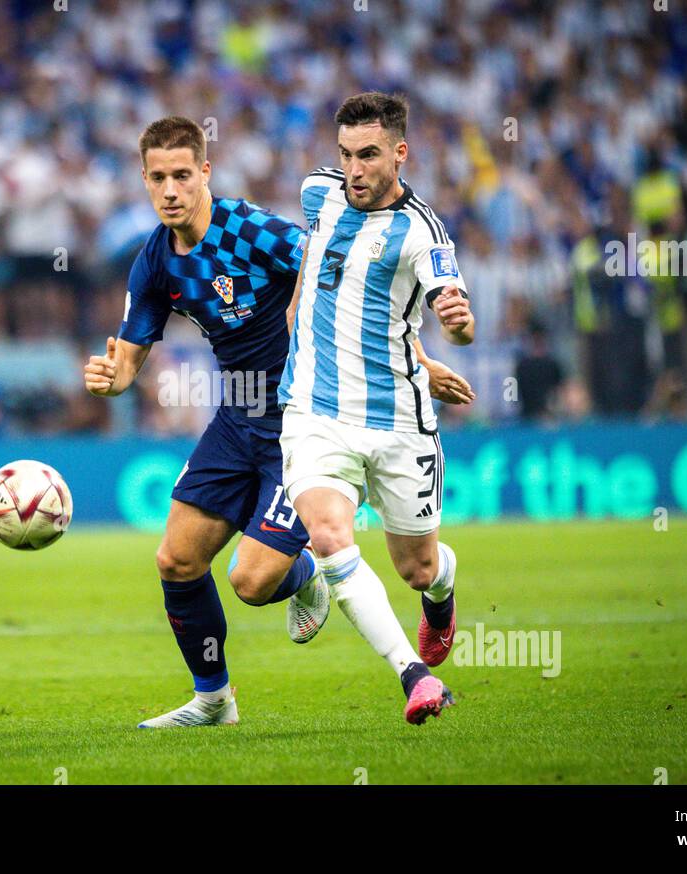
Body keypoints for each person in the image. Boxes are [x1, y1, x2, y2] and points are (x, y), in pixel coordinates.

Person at [83, 116, 473, 728]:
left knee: (252, 582)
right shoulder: (154, 260)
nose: (169, 191)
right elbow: (128, 361)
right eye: (157, 178)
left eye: (182, 175)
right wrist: (111, 378)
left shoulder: (251, 230)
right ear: (144, 179)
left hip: (300, 416)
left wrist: (420, 360)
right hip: (236, 419)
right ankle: (214, 700)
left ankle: (308, 572)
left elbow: (344, 287)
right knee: (175, 561)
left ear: (204, 172)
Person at [279, 92, 476, 723]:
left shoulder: (422, 231)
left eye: (367, 155)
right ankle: (411, 676)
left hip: (396, 418)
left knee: (415, 569)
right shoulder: (319, 192)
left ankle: (441, 596)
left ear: (399, 152)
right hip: (313, 410)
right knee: (331, 538)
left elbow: (456, 313)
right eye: (344, 155)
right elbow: (319, 275)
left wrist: (456, 326)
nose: (353, 169)